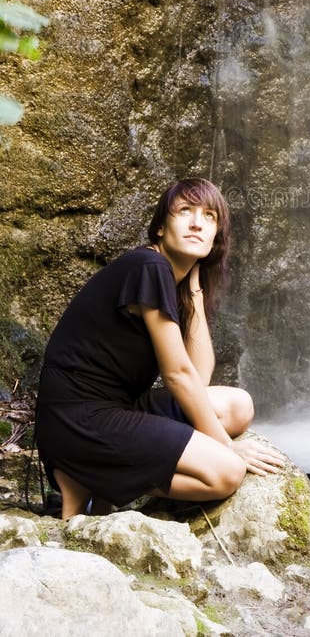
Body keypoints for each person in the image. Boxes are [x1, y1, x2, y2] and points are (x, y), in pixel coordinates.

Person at [35, 177, 284, 519]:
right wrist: (226, 446)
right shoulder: (148, 266)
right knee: (227, 472)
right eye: (185, 211)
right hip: (79, 421)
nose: (197, 223)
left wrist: (195, 292)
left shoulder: (171, 279)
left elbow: (198, 376)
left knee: (237, 406)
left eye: (209, 216)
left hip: (119, 407)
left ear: (216, 236)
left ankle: (94, 476)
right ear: (160, 229)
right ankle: (89, 473)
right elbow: (177, 375)